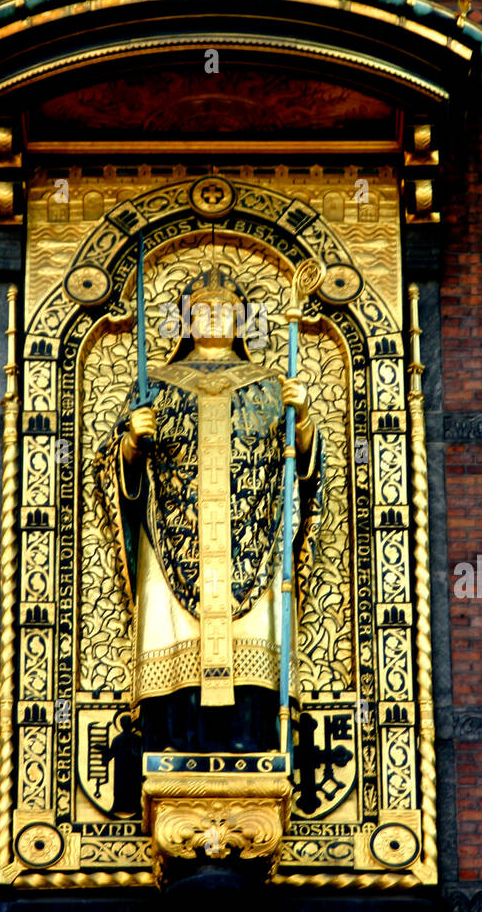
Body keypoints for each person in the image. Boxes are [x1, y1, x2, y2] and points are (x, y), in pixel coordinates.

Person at [95, 262, 323, 754]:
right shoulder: (154, 383)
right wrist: (134, 442)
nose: (215, 318)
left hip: (253, 541)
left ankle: (254, 738)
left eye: (227, 311)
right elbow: (116, 478)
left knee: (253, 635)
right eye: (203, 310)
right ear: (185, 321)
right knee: (172, 633)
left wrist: (301, 419)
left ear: (244, 322)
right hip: (174, 537)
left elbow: (302, 473)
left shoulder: (267, 386)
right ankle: (172, 739)